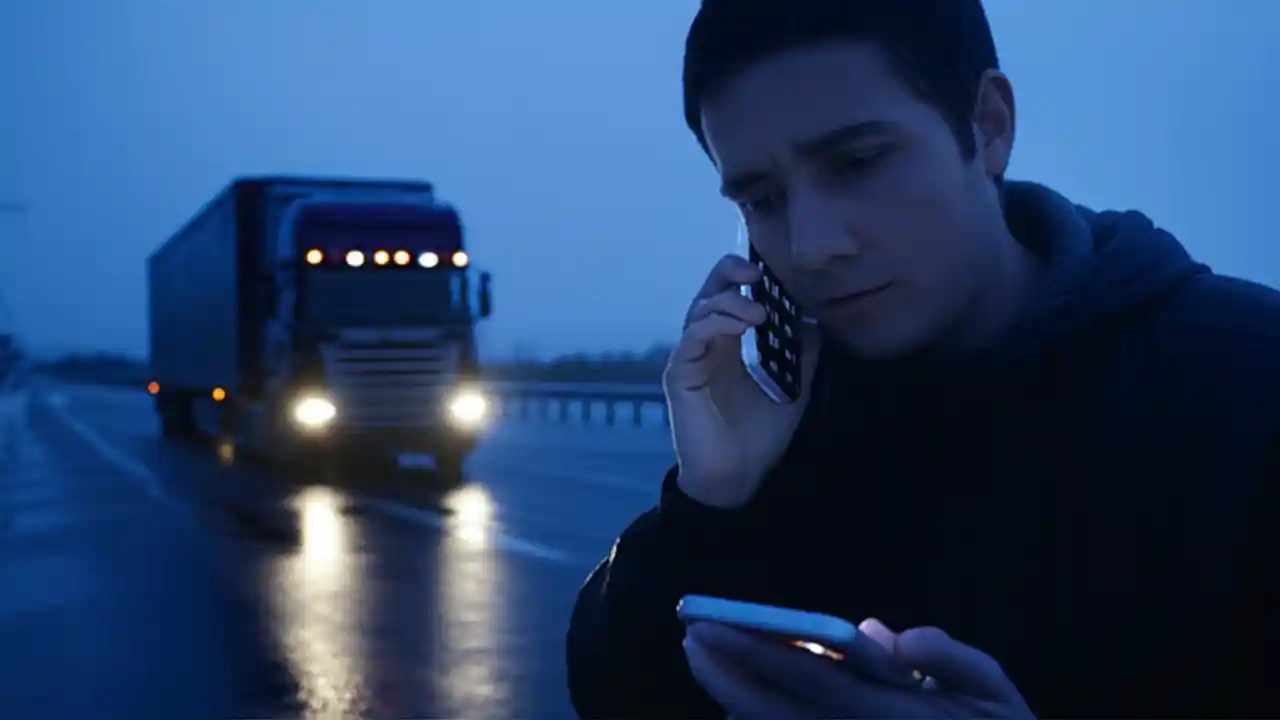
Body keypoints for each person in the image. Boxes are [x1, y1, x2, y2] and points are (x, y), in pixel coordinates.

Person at [565, 0, 1280, 717]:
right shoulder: (786, 423)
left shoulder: (1246, 384)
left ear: (989, 124)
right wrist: (710, 506)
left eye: (857, 163)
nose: (812, 246)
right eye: (761, 197)